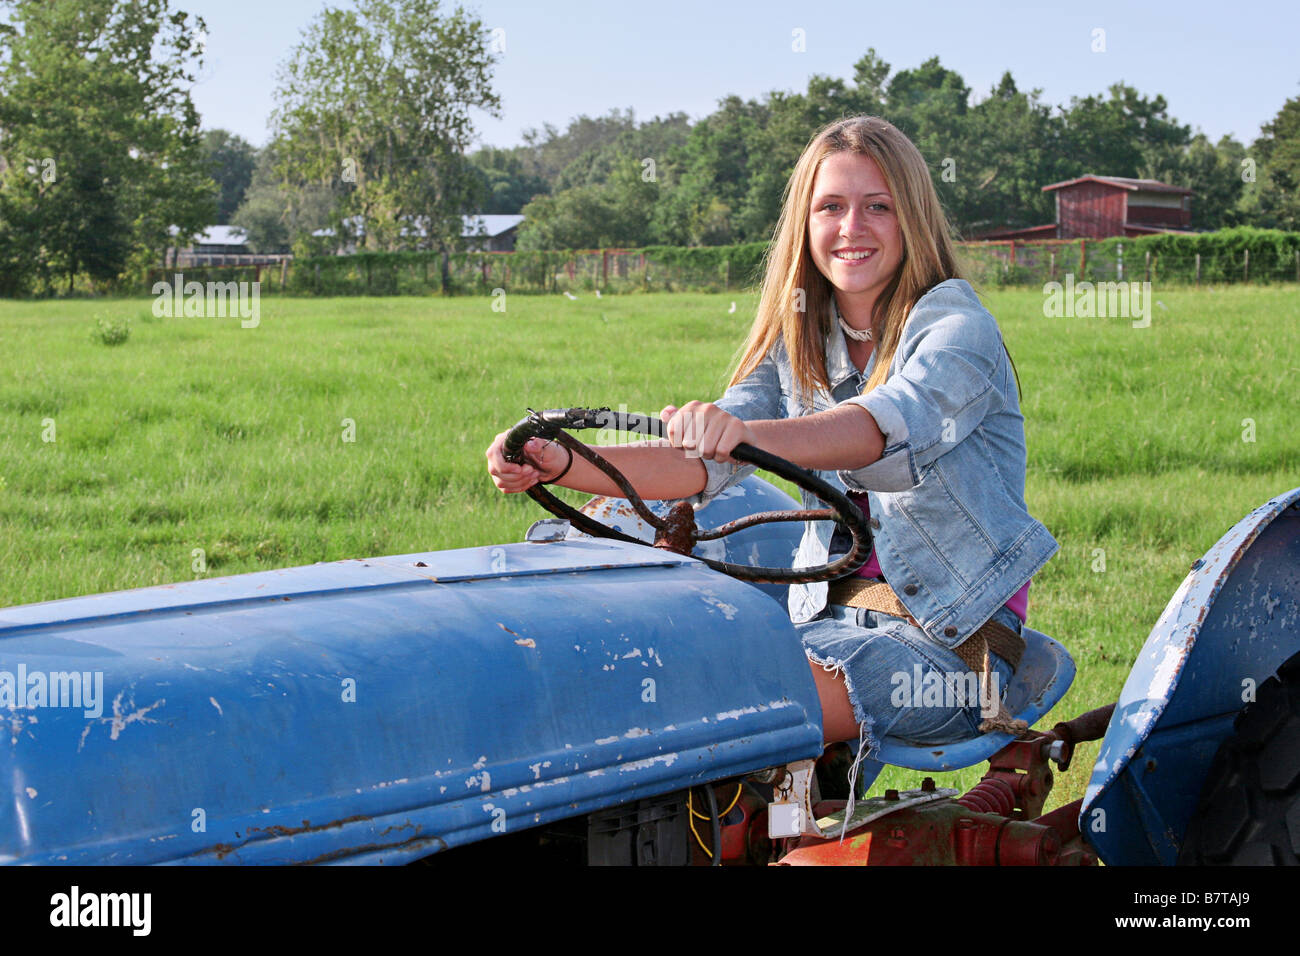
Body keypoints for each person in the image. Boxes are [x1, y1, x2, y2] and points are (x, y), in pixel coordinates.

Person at [485, 115, 1058, 763]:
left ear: (914, 218)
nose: (852, 228)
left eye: (878, 207)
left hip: (947, 649)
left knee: (735, 708)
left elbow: (881, 428)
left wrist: (744, 436)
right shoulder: (799, 341)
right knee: (664, 676)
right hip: (827, 626)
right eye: (831, 207)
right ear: (804, 224)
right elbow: (701, 465)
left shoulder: (956, 328)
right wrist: (561, 463)